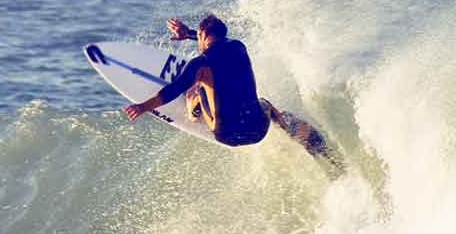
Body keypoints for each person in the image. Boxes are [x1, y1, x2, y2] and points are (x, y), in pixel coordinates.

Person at [124, 15, 343, 168]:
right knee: (265, 104)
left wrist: (143, 107)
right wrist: (189, 33)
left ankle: (194, 113)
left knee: (195, 89)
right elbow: (218, 44)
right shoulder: (239, 47)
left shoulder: (201, 64)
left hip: (227, 133)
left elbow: (172, 90)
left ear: (202, 34)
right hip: (258, 130)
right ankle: (315, 148)